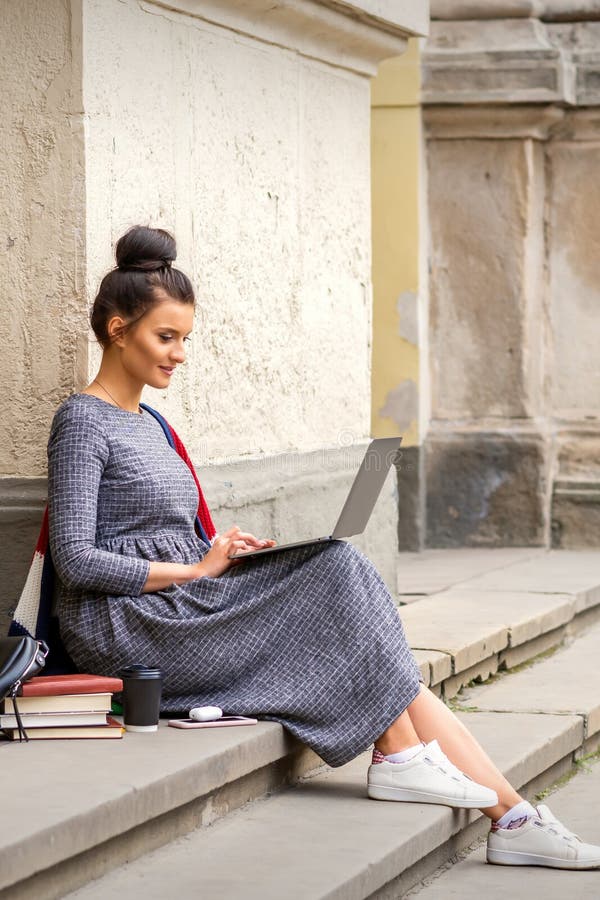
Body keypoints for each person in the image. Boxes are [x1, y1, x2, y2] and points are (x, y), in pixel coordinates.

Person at [47, 225, 600, 870]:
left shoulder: (152, 421)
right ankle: (417, 767)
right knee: (336, 573)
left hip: (179, 598)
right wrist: (196, 567)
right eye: (164, 337)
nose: (179, 355)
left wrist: (222, 547)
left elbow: (169, 528)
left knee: (348, 594)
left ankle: (511, 816)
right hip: (124, 624)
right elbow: (76, 559)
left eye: (184, 340)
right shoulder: (81, 422)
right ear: (117, 330)